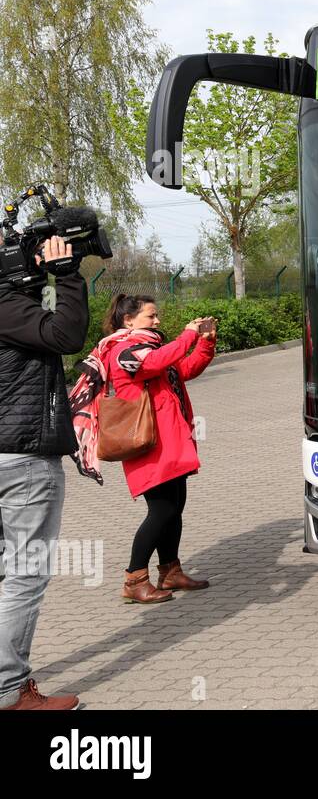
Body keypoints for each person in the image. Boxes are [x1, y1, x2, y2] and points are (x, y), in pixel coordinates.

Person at [0, 236, 89, 710]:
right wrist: (69, 273)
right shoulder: (4, 306)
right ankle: (9, 693)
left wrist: (34, 279)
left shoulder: (12, 302)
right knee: (24, 575)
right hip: (21, 458)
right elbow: (66, 335)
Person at [97, 295, 216, 604]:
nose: (158, 320)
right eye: (151, 316)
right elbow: (156, 363)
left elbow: (184, 369)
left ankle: (170, 571)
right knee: (161, 510)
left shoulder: (150, 348)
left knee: (174, 507)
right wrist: (188, 334)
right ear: (128, 321)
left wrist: (204, 343)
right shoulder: (124, 351)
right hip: (150, 444)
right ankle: (134, 579)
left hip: (172, 439)